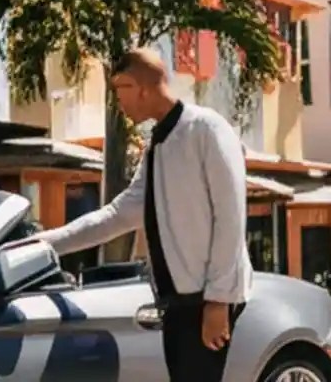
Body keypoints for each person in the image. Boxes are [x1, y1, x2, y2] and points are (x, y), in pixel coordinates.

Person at [30, 47, 252, 381]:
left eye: (120, 89)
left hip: (205, 301)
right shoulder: (157, 147)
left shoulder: (206, 129)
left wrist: (219, 301)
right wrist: (44, 245)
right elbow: (117, 215)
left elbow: (231, 218)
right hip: (176, 303)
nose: (117, 102)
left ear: (141, 88)